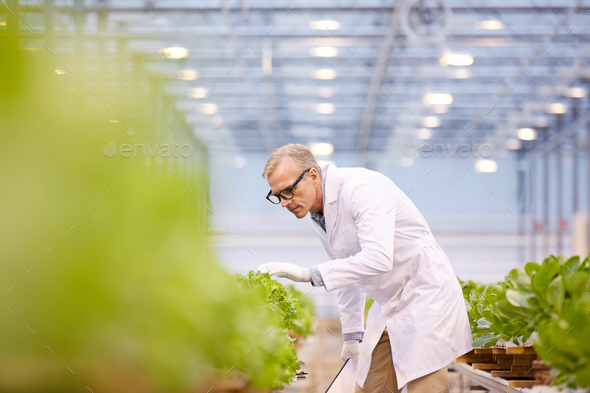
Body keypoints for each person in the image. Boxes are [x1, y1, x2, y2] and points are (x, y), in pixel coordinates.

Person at [257, 144, 473, 393]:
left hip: (425, 295)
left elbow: (378, 257)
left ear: (313, 176)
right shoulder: (318, 216)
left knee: (425, 387)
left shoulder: (361, 189)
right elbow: (348, 272)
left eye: (288, 191)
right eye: (277, 196)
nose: (284, 202)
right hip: (389, 303)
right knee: (370, 386)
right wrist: (350, 334)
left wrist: (310, 274)